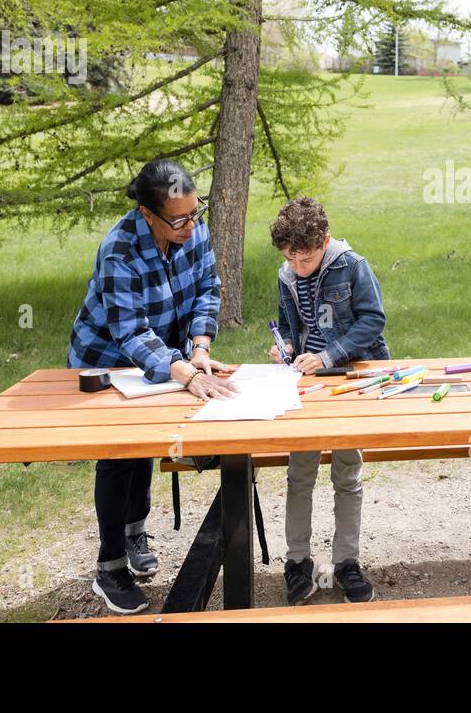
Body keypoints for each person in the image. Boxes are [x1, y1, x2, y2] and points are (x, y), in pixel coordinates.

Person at [69, 158, 238, 614]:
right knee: (120, 453)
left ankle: (134, 529)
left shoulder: (192, 227)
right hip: (107, 359)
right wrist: (182, 369)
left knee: (145, 446)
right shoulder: (118, 250)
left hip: (165, 358)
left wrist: (199, 349)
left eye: (195, 212)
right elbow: (129, 333)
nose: (190, 225)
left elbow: (208, 286)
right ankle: (110, 568)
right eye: (179, 218)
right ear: (148, 214)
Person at [267, 196, 388, 605]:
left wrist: (328, 355)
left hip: (348, 380)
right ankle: (298, 560)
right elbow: (288, 324)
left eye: (307, 259)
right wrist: (283, 345)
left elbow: (373, 320)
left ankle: (347, 562)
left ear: (325, 240)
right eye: (291, 259)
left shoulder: (353, 266)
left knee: (347, 474)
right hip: (305, 385)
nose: (298, 267)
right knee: (299, 474)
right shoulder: (287, 275)